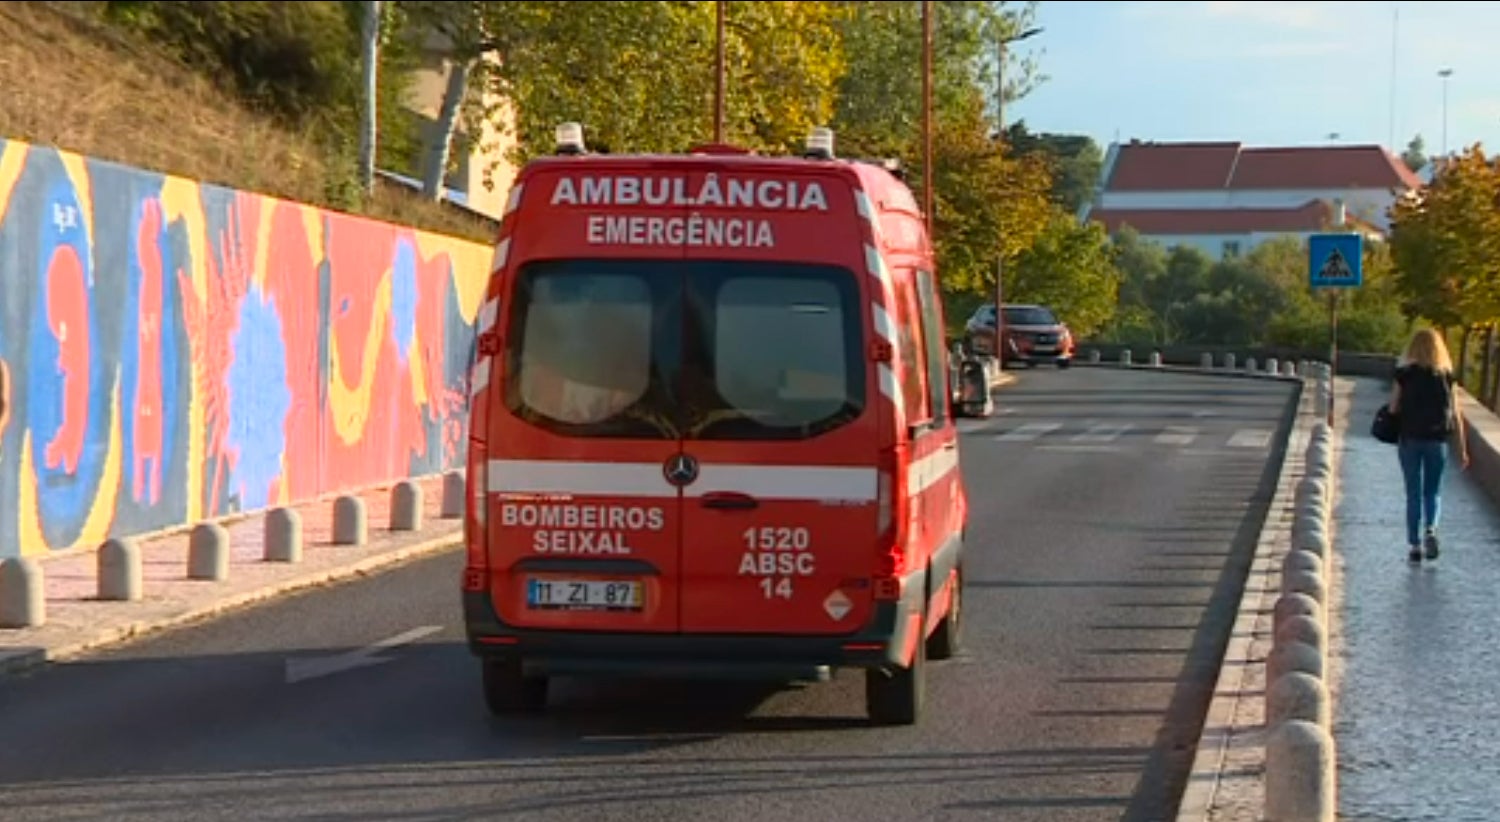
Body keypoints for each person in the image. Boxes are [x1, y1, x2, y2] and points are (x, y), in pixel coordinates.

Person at [1387, 328, 1470, 564]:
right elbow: (1456, 414)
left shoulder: (1404, 374)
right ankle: (1431, 529)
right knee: (1432, 491)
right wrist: (1463, 449)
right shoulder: (1446, 376)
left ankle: (1414, 545)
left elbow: (1393, 408)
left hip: (1410, 439)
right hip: (1437, 440)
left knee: (1412, 493)